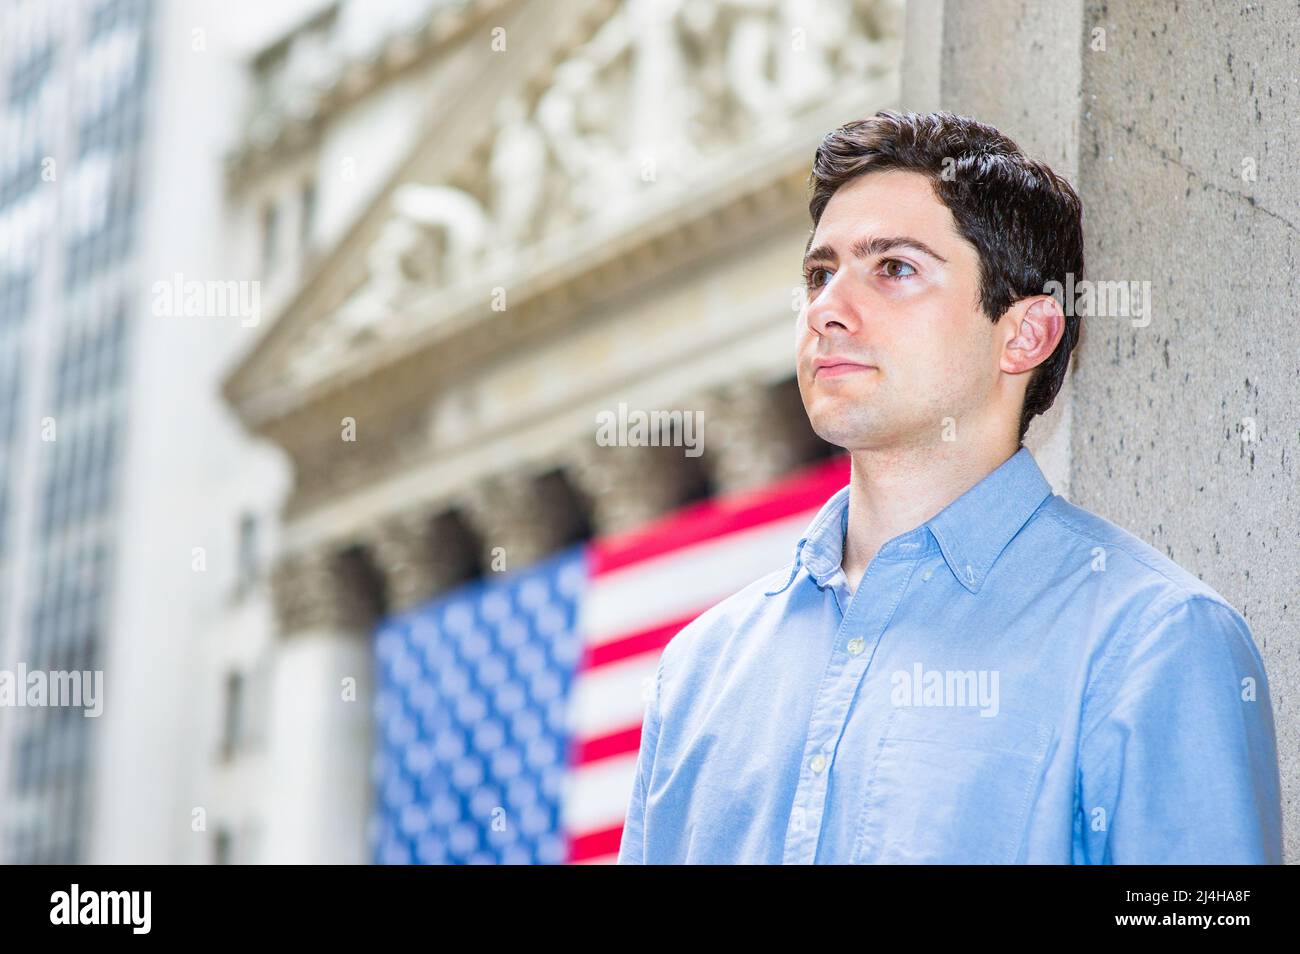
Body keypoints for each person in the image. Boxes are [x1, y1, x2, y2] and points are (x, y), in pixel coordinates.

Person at [615, 110, 1283, 864]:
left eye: (894, 269)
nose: (827, 308)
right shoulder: (701, 668)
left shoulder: (1154, 642)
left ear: (1025, 334)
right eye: (818, 273)